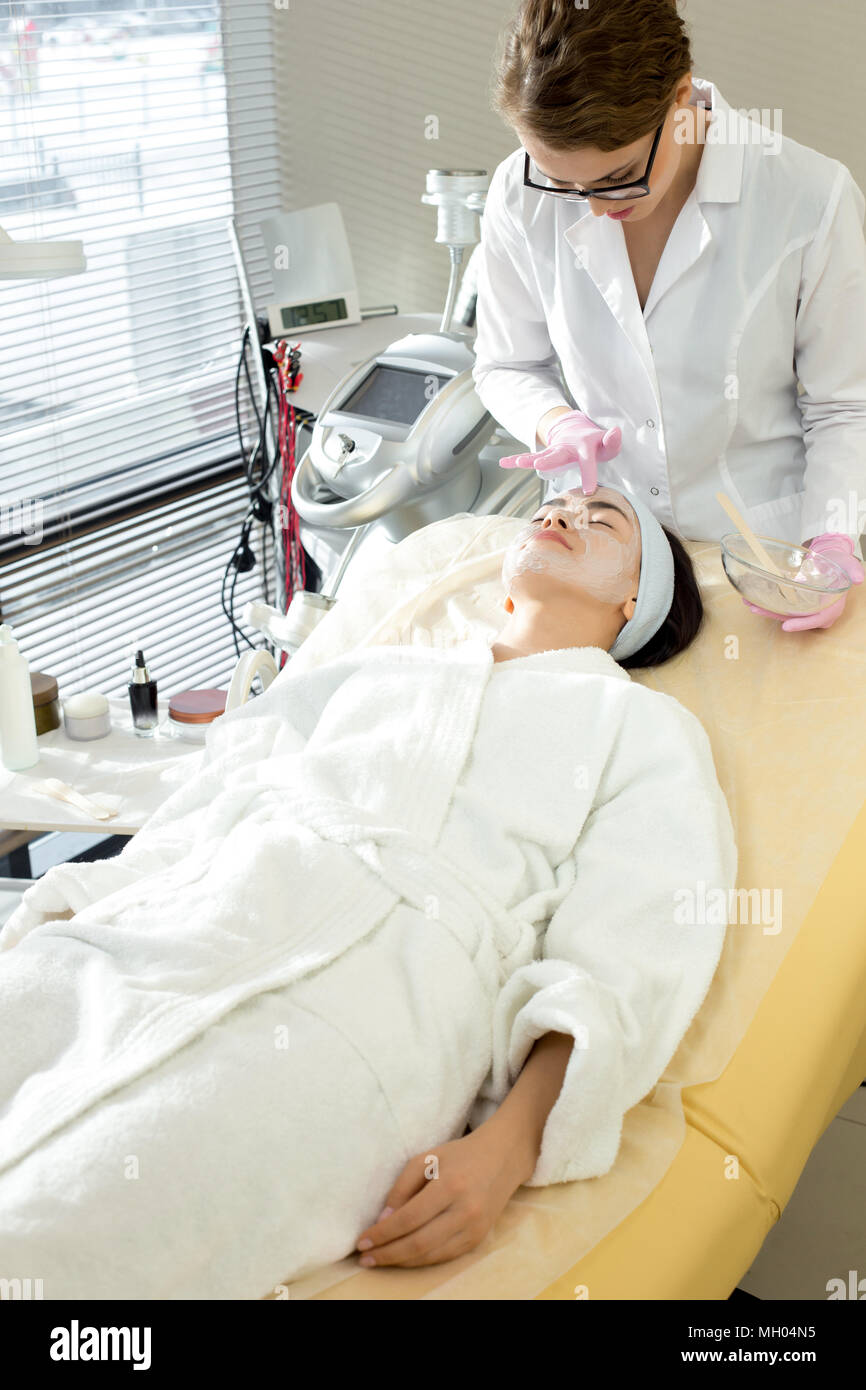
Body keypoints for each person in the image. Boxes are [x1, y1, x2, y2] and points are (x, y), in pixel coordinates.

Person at [0, 488, 735, 1294]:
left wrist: (509, 1146)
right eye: (554, 503)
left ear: (636, 600)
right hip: (174, 924)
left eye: (602, 522)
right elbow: (209, 800)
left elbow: (628, 953)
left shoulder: (640, 729)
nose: (561, 513)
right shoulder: (379, 671)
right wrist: (84, 909)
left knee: (61, 1232)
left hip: (367, 1016)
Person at [471, 0, 866, 632]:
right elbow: (504, 364)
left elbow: (845, 406)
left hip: (764, 560)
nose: (593, 210)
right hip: (603, 572)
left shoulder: (808, 197)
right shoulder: (518, 191)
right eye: (562, 185)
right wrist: (556, 422)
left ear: (681, 100)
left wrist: (830, 547)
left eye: (617, 178)